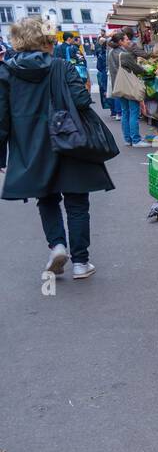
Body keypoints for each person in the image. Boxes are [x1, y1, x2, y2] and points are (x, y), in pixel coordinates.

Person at [0, 15, 114, 280]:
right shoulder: (61, 65)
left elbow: (1, 118)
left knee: (47, 198)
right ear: (47, 38)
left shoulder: (6, 72)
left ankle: (57, 246)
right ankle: (80, 263)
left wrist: (2, 157)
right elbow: (83, 101)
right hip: (69, 140)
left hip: (31, 145)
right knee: (77, 202)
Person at [110, 34, 151, 148]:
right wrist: (147, 70)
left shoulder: (112, 52)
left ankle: (127, 139)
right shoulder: (124, 55)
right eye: (126, 39)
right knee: (133, 111)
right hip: (128, 87)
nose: (129, 41)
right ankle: (136, 140)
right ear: (120, 41)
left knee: (125, 112)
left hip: (119, 86)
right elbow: (137, 69)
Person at [94, 34, 119, 116]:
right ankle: (116, 111)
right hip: (111, 73)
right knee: (114, 91)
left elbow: (99, 67)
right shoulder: (115, 52)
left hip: (105, 74)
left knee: (107, 91)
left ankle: (113, 111)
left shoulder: (102, 54)